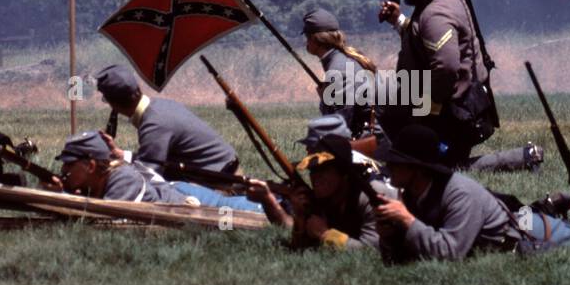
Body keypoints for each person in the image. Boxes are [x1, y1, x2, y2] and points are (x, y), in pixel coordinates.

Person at [377, 0, 493, 167]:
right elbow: (424, 40)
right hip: (458, 107)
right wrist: (399, 21)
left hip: (449, 115)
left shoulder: (435, 14)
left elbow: (446, 69)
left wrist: (425, 110)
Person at [371, 124, 521, 261]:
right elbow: (406, 255)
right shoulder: (412, 194)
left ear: (418, 170)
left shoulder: (460, 194)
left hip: (513, 247)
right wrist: (388, 236)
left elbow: (450, 253)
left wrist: (407, 219)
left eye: (396, 163)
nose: (388, 166)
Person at [94, 64, 238, 175]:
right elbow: (154, 159)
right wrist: (121, 155)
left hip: (220, 179)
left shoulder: (154, 125)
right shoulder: (159, 107)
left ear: (114, 104)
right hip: (219, 168)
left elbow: (147, 175)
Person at [256, 134, 383, 251]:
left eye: (324, 170)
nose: (316, 177)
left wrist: (325, 234)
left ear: (344, 173)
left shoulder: (371, 196)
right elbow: (300, 249)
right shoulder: (325, 197)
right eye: (313, 170)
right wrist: (300, 215)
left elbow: (371, 249)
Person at [55, 131, 200, 204]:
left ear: (91, 166)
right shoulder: (94, 180)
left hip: (195, 201)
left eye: (70, 164)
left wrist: (60, 197)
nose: (63, 169)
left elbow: (104, 218)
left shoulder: (124, 178)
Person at [301, 8, 379, 138]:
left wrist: (325, 100)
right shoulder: (342, 60)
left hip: (365, 143)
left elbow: (339, 127)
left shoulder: (339, 70)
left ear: (315, 39)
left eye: (307, 37)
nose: (306, 42)